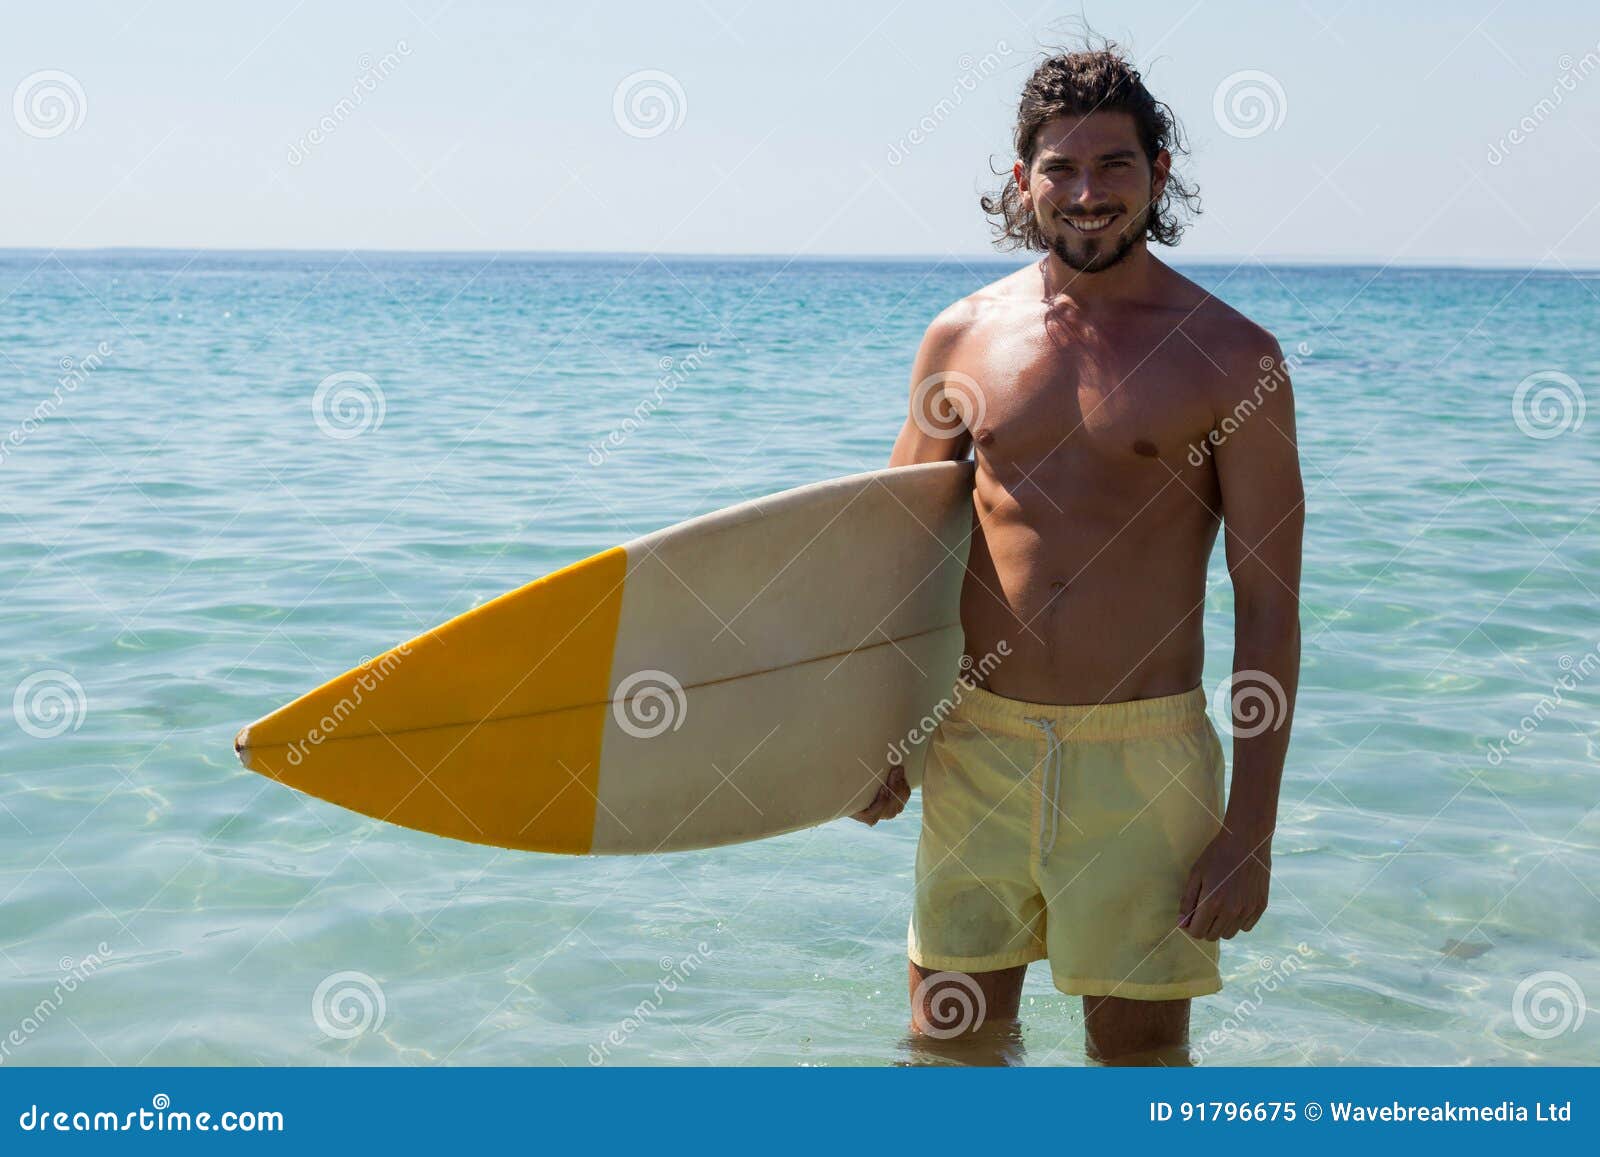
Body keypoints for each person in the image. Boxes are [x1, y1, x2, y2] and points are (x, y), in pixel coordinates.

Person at [853, 44, 1304, 1066]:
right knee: (948, 1055)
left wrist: (1251, 828)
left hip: (1141, 761)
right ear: (1022, 181)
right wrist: (874, 728)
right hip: (973, 745)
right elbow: (891, 549)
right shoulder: (960, 340)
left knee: (1137, 1070)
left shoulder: (1232, 358)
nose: (1087, 193)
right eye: (1060, 168)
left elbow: (1268, 606)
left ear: (1159, 171)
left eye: (1115, 166)